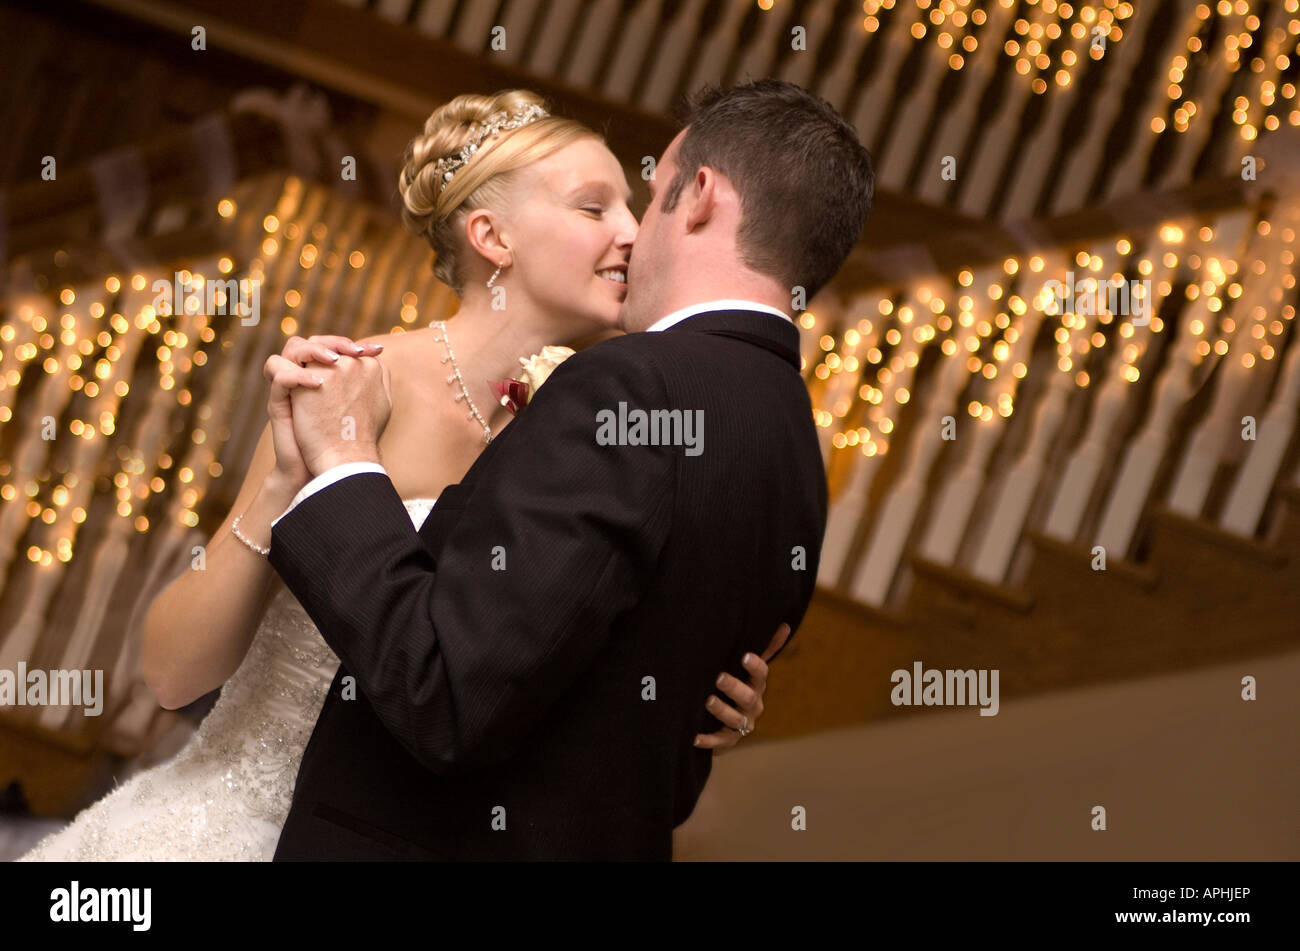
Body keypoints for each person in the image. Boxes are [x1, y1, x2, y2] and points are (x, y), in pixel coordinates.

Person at [18, 89, 779, 862]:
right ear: (492, 236)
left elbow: (507, 684)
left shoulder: (598, 441)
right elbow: (174, 674)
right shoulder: (353, 388)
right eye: (595, 208)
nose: (631, 232)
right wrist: (288, 488)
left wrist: (686, 690)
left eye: (631, 204)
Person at [265, 78, 874, 860]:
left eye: (650, 198)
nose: (628, 235)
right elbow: (649, 749)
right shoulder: (796, 451)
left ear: (700, 200)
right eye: (595, 208)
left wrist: (343, 462)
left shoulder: (630, 385)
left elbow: (446, 695)